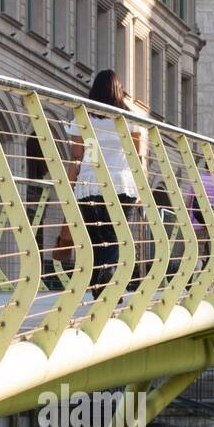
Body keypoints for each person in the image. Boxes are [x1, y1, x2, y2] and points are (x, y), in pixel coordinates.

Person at [64, 70, 147, 297]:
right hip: (122, 185)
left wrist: (70, 187)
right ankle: (108, 278)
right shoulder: (130, 119)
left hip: (89, 185)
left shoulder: (82, 118)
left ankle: (100, 284)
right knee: (116, 236)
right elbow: (138, 159)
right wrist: (142, 189)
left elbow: (76, 158)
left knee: (94, 237)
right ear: (119, 91)